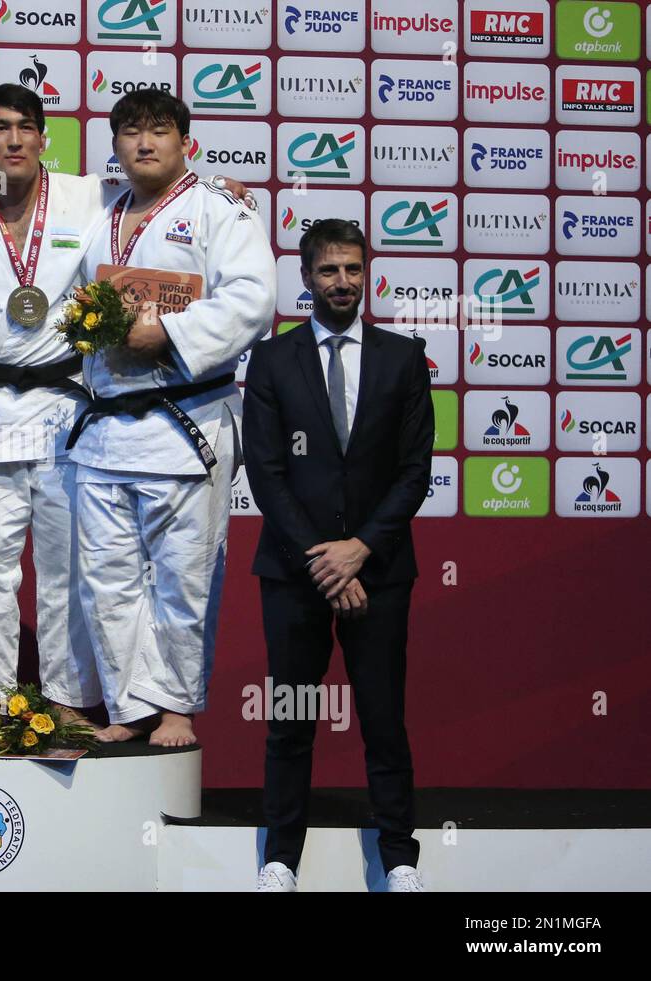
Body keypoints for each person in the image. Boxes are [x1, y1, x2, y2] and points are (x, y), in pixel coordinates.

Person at [69, 90, 276, 747]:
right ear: (116, 143)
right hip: (105, 426)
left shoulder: (218, 209)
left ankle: (176, 707)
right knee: (108, 578)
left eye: (159, 131)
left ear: (186, 140)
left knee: (182, 576)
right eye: (130, 132)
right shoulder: (100, 208)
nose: (144, 143)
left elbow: (253, 299)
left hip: (184, 421)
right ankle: (129, 706)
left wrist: (169, 334)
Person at [241, 219, 434, 892]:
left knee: (384, 720)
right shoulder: (272, 360)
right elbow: (266, 472)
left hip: (379, 572)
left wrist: (359, 550)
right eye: (329, 270)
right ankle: (280, 859)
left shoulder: (404, 357)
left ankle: (401, 858)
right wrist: (326, 561)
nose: (342, 281)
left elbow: (414, 471)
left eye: (353, 269)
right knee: (291, 718)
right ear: (306, 278)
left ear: (366, 273)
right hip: (294, 575)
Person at [0, 84, 108, 735]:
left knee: (69, 565)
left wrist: (220, 194)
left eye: (26, 127)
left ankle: (67, 696)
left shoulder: (87, 198)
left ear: (43, 140)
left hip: (66, 411)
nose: (14, 139)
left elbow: (160, 202)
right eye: (0, 129)